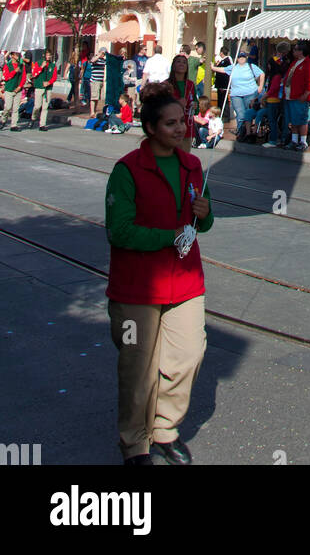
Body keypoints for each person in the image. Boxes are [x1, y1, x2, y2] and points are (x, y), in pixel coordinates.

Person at [104, 88, 213, 465]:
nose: (180, 128)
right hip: (138, 285)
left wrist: (204, 212)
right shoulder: (128, 170)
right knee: (138, 368)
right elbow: (119, 231)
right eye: (171, 123)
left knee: (188, 354)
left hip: (184, 280)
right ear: (150, 128)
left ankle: (165, 428)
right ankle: (135, 443)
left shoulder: (193, 166)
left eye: (182, 120)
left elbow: (205, 221)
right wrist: (170, 236)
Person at [282, 43, 310, 152]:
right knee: (293, 120)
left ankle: (303, 141)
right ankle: (294, 140)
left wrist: (306, 95)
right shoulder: (294, 63)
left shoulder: (309, 64)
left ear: (301, 51)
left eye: (295, 50)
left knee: (301, 120)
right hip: (290, 95)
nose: (293, 52)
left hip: (299, 96)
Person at [226, 51, 265, 134]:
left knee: (248, 113)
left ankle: (248, 132)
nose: (241, 58)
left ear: (246, 58)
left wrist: (260, 87)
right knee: (240, 114)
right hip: (236, 94)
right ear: (237, 59)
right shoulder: (233, 67)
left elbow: (262, 74)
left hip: (250, 93)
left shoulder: (251, 66)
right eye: (240, 57)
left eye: (243, 57)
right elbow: (222, 70)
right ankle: (241, 131)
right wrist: (212, 67)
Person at [168, 54, 197, 153]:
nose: (181, 64)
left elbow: (195, 105)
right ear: (173, 65)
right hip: (170, 127)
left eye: (184, 62)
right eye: (178, 61)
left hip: (186, 127)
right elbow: (161, 106)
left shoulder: (191, 85)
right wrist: (176, 103)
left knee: (184, 156)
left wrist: (195, 105)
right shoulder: (166, 84)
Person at [2, 52, 28, 130]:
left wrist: (20, 86)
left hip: (18, 89)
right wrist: (14, 71)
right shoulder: (7, 65)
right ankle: (3, 120)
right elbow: (6, 77)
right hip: (9, 89)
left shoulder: (21, 66)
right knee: (8, 107)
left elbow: (23, 77)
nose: (18, 56)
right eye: (16, 55)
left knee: (16, 108)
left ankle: (14, 125)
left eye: (18, 55)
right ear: (12, 56)